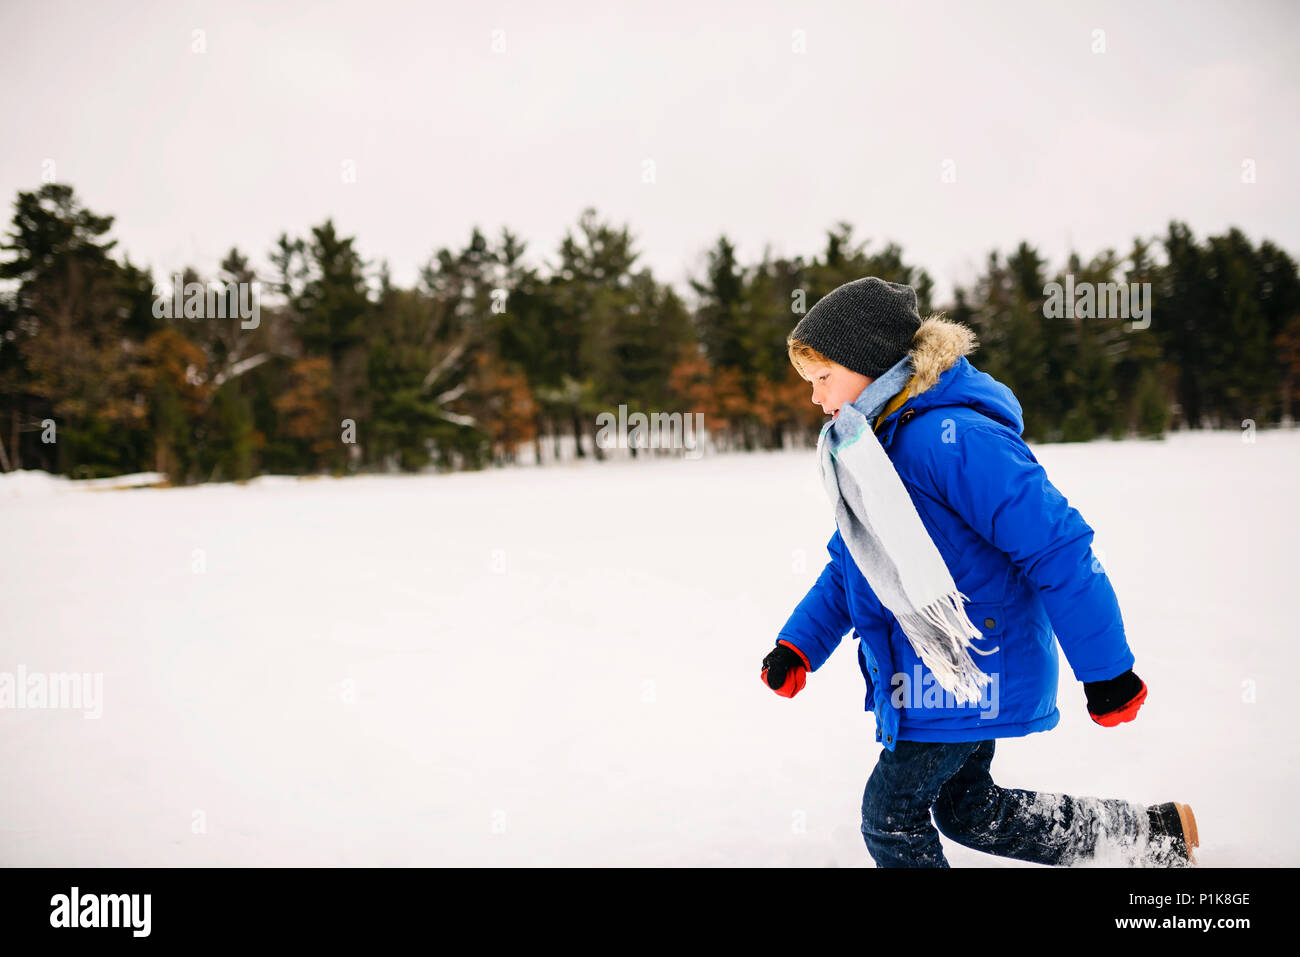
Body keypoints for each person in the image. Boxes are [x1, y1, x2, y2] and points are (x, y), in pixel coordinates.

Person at [761, 276, 1198, 868]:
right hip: (929, 667)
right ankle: (1153, 836)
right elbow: (852, 564)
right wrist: (799, 645)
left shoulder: (955, 440)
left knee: (891, 820)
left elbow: (1058, 548)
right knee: (971, 809)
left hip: (969, 659)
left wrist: (1107, 671)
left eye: (822, 378)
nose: (816, 399)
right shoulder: (874, 452)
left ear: (871, 364)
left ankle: (1152, 837)